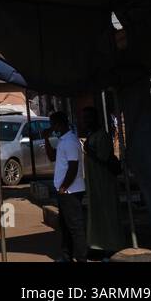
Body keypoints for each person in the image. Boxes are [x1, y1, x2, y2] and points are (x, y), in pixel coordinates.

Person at [80, 106, 126, 257]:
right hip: (94, 182)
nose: (86, 121)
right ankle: (98, 246)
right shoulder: (92, 135)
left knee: (108, 214)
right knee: (97, 215)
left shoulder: (102, 136)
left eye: (88, 118)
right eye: (84, 118)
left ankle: (111, 247)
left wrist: (88, 150)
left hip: (104, 182)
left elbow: (103, 158)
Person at [44, 110, 87, 262]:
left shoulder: (70, 141)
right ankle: (66, 254)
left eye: (52, 124)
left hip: (71, 190)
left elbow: (73, 167)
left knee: (75, 227)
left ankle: (81, 257)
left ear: (58, 124)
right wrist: (46, 139)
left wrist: (64, 187)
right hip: (65, 190)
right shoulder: (63, 140)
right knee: (66, 225)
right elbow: (51, 156)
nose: (51, 127)